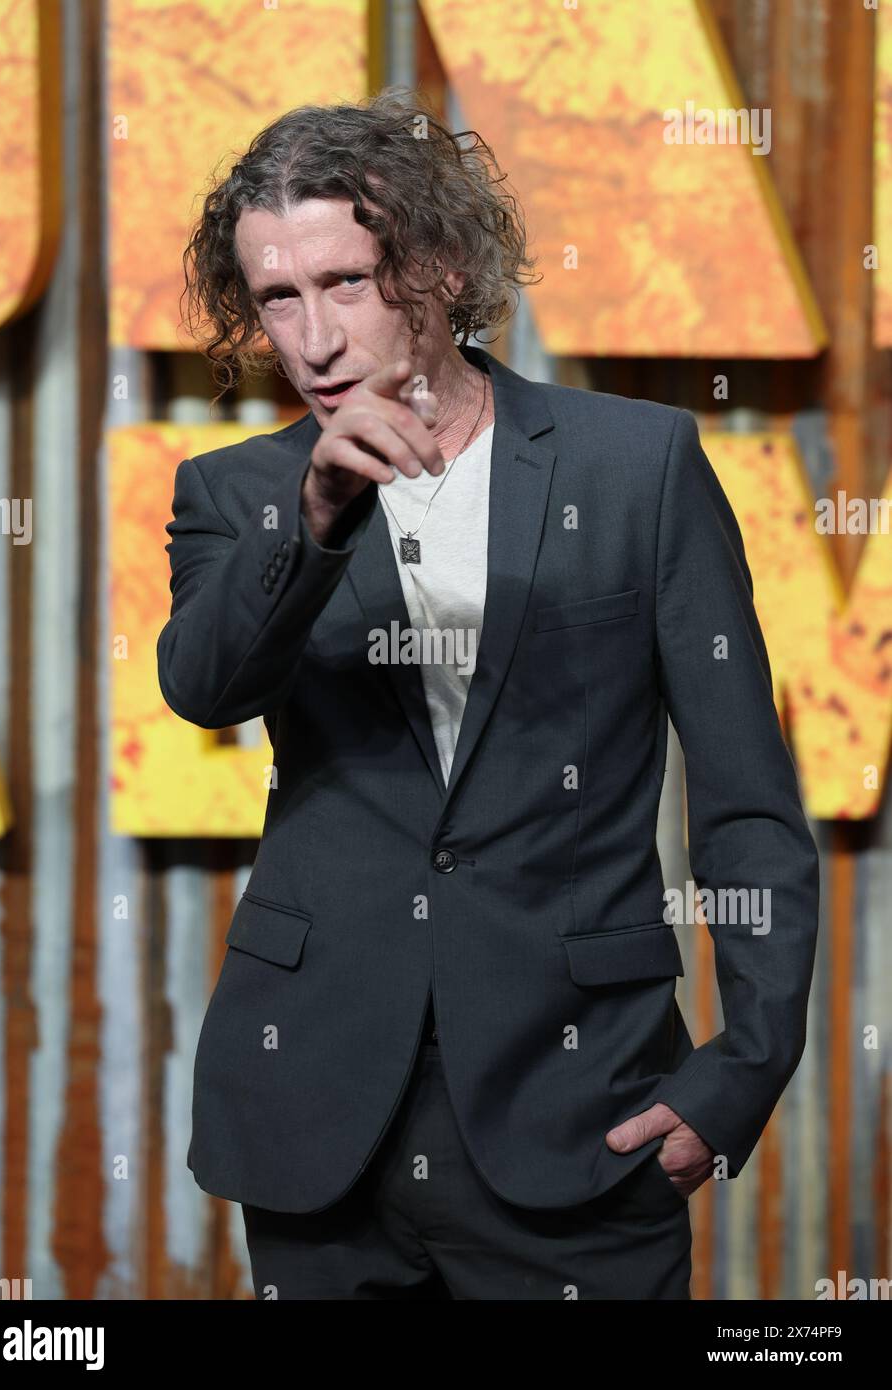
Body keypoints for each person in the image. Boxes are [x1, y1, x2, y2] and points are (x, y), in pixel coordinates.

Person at [159, 87, 820, 1300]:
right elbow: (204, 685)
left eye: (346, 282)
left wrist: (744, 1067)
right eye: (277, 298)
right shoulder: (236, 492)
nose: (311, 339)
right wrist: (311, 520)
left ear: (444, 265)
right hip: (318, 1117)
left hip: (580, 1116)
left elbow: (747, 801)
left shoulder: (637, 467)